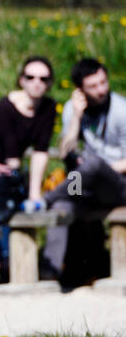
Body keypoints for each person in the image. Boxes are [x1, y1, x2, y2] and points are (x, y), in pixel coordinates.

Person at [42, 58, 126, 280]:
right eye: (93, 86)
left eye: (103, 82)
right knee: (62, 206)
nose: (101, 90)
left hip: (117, 187)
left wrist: (97, 168)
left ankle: (47, 197)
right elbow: (64, 151)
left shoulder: (121, 110)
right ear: (80, 90)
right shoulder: (72, 108)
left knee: (93, 164)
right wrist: (76, 117)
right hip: (83, 186)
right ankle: (50, 273)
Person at [0, 56, 56, 276]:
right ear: (22, 80)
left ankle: (13, 263)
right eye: (30, 77)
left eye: (43, 78)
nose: (37, 82)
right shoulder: (5, 106)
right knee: (1, 208)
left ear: (49, 83)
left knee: (23, 205)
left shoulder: (48, 107)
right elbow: (11, 157)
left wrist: (34, 194)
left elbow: (41, 151)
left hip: (13, 172)